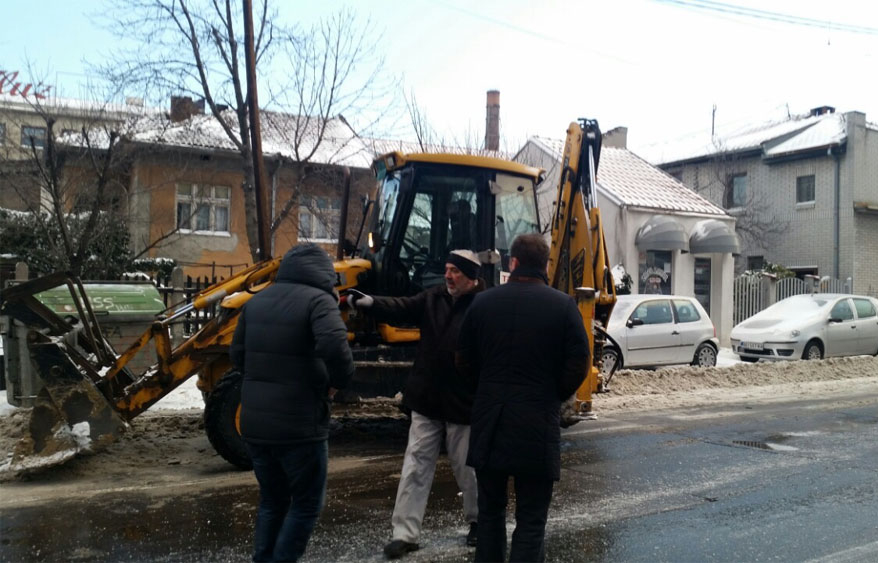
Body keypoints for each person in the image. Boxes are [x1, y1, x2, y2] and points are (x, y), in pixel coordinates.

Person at [456, 234, 589, 563]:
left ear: (512, 263)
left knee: (489, 516)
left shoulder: (482, 303)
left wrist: (485, 390)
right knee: (531, 521)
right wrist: (552, 393)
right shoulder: (563, 306)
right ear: (546, 265)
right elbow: (579, 363)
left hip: (490, 424)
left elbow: (462, 359)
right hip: (536, 425)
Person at [346, 249, 484, 559]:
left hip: (463, 401)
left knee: (469, 469)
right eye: (446, 269)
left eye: (455, 271)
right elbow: (403, 307)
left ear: (472, 278)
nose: (447, 275)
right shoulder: (433, 297)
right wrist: (371, 303)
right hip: (427, 397)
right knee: (415, 467)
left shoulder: (483, 306)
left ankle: (479, 522)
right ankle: (404, 534)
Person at [230, 243, 355, 563]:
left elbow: (237, 357)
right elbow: (336, 349)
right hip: (299, 424)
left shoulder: (256, 303)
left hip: (256, 426)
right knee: (306, 503)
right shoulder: (319, 301)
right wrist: (335, 384)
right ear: (324, 273)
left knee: (272, 501)